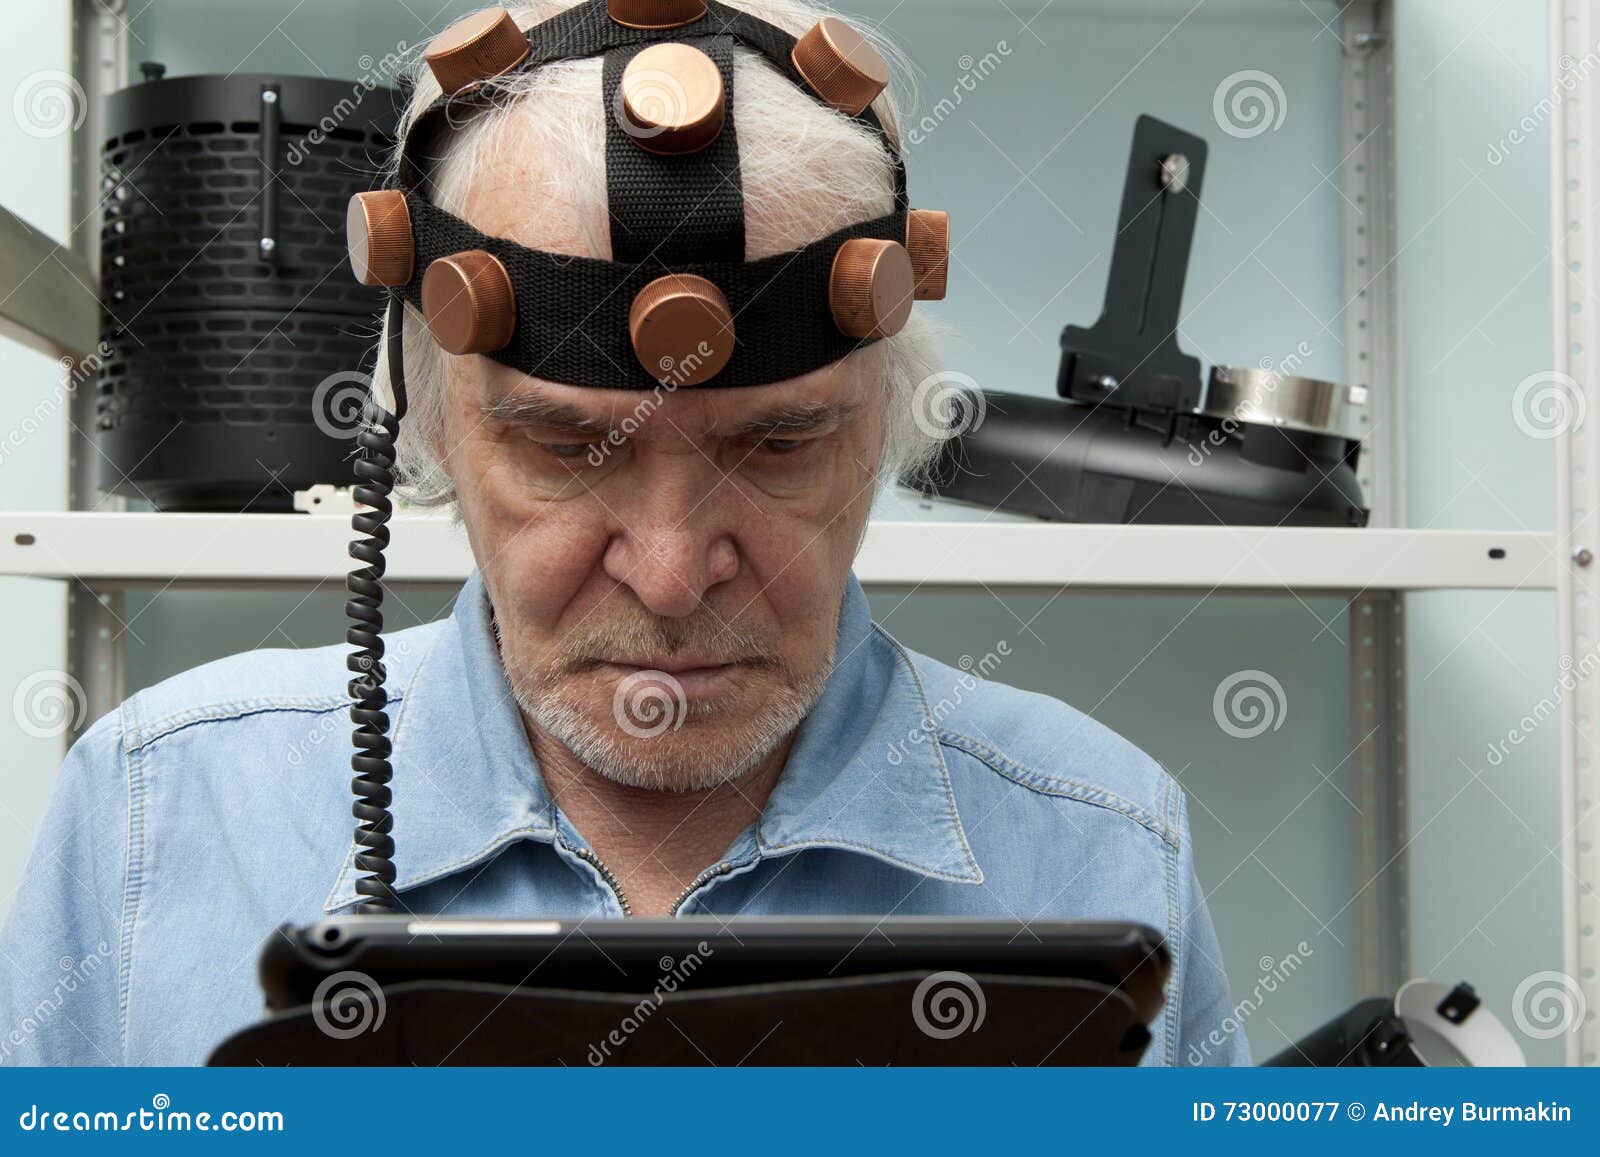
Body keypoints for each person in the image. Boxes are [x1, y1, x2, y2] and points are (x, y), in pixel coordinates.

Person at [0, 0, 1247, 1066]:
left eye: (776, 445)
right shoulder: (156, 815)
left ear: (885, 430)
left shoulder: (1102, 844)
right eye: (562, 449)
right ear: (423, 424)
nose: (667, 571)